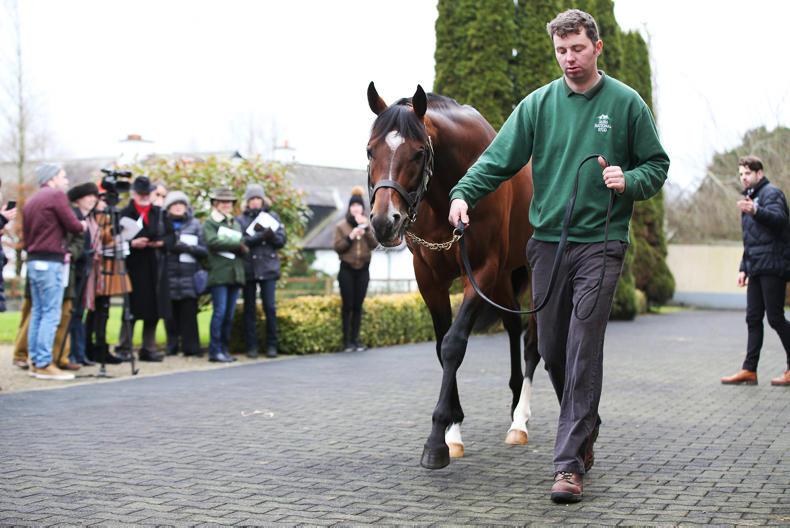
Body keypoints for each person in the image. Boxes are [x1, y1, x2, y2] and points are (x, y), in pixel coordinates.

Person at [448, 9, 669, 503]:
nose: (569, 58)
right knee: (551, 349)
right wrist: (462, 193)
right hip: (548, 243)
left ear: (597, 48)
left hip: (602, 243)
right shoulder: (538, 105)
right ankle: (584, 424)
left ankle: (567, 466)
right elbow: (496, 160)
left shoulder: (626, 104)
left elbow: (657, 165)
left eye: (577, 49)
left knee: (583, 344)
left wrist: (629, 179)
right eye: (561, 51)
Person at [721, 156, 790, 387]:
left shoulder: (772, 194)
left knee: (775, 318)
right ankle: (749, 370)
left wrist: (756, 210)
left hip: (773, 265)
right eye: (741, 174)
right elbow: (751, 240)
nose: (743, 178)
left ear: (759, 173)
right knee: (752, 319)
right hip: (756, 267)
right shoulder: (749, 200)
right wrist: (743, 268)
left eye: (747, 173)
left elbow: (780, 221)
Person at [22, 164, 86, 380]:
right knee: (50, 313)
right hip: (50, 261)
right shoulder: (55, 196)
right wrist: (82, 226)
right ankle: (43, 362)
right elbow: (72, 225)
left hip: (34, 260)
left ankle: (35, 361)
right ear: (52, 178)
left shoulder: (32, 200)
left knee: (38, 312)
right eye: (62, 176)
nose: (65, 180)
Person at [116, 176, 168, 362]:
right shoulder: (125, 214)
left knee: (153, 309)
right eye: (141, 194)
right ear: (134, 194)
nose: (144, 197)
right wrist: (132, 243)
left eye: (147, 193)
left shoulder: (159, 213)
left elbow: (171, 236)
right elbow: (115, 239)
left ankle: (149, 347)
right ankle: (124, 346)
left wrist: (161, 243)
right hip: (134, 265)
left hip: (155, 265)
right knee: (131, 308)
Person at [236, 184, 286, 359]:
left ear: (263, 200)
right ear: (247, 202)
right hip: (250, 268)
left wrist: (271, 235)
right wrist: (259, 236)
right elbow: (241, 241)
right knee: (249, 309)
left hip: (268, 267)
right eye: (252, 199)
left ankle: (272, 345)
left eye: (258, 198)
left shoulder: (272, 217)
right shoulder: (240, 220)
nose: (255, 202)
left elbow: (281, 241)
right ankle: (252, 346)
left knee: (269, 307)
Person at [83, 190, 130, 365]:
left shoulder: (108, 217)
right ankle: (90, 347)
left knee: (104, 309)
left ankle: (99, 347)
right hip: (98, 266)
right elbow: (100, 237)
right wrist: (113, 234)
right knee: (94, 310)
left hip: (109, 264)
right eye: (102, 200)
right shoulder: (94, 217)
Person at [162, 191, 207, 357]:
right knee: (170, 315)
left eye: (181, 204)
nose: (178, 207)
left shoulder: (195, 224)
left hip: (189, 276)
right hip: (169, 274)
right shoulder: (163, 224)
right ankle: (172, 345)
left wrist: (189, 248)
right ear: (168, 208)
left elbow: (204, 250)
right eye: (174, 204)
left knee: (189, 314)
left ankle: (191, 347)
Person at [204, 187, 246, 362]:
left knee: (229, 315)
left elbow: (243, 242)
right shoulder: (210, 223)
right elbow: (212, 241)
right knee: (219, 313)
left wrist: (240, 246)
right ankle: (214, 351)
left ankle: (224, 349)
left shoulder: (234, 222)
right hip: (219, 274)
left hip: (235, 274)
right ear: (215, 203)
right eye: (222, 202)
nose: (226, 205)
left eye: (229, 202)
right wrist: (236, 244)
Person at [333, 186, 378, 352]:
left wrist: (366, 230)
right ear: (349, 208)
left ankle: (356, 340)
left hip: (363, 270)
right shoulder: (341, 226)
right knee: (348, 305)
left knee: (358, 306)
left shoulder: (368, 224)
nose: (356, 208)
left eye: (358, 205)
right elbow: (338, 248)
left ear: (362, 208)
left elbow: (374, 244)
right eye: (353, 206)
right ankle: (347, 342)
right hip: (346, 269)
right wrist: (351, 236)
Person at [67, 182, 101, 367]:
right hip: (76, 269)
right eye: (88, 196)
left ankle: (79, 354)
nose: (92, 200)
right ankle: (72, 353)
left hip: (86, 268)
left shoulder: (90, 219)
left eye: (94, 197)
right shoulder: (74, 216)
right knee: (73, 312)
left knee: (80, 313)